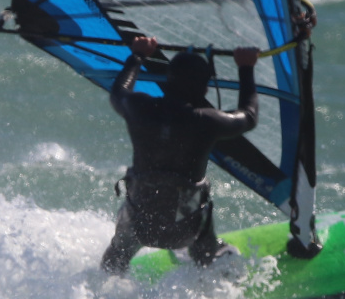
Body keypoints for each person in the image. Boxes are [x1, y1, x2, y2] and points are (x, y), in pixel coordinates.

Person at [100, 35, 260, 273]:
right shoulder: (208, 121)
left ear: (167, 79)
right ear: (205, 88)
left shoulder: (139, 108)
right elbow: (248, 116)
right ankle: (209, 265)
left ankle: (102, 289)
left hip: (139, 224)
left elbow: (119, 91)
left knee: (117, 253)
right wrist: (246, 68)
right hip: (184, 231)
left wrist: (137, 56)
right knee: (200, 213)